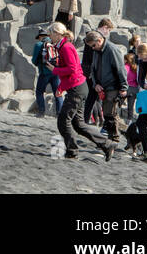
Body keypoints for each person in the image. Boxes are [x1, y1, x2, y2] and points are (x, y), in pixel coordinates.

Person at [49, 22, 117, 161]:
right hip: (79, 87)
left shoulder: (66, 47)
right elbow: (74, 71)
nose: (49, 36)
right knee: (78, 124)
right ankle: (107, 144)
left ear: (57, 34)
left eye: (50, 33)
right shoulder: (64, 46)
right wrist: (61, 87)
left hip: (77, 89)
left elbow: (73, 69)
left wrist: (55, 70)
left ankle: (72, 151)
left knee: (63, 120)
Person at [84, 30, 127, 142]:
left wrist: (123, 87)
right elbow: (93, 69)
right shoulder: (96, 51)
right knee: (109, 113)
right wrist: (95, 84)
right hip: (102, 87)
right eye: (90, 46)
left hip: (113, 86)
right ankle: (120, 134)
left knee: (110, 113)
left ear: (99, 40)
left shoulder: (112, 50)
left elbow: (120, 69)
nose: (92, 48)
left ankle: (114, 139)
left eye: (93, 45)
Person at [82, 18, 117, 126]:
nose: (108, 33)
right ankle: (87, 120)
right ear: (105, 27)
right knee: (92, 98)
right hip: (92, 73)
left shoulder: (92, 36)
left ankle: (91, 119)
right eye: (108, 30)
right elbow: (94, 58)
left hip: (89, 71)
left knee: (94, 99)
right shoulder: (96, 39)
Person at [31, 31, 61, 117]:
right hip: (55, 71)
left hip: (44, 72)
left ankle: (41, 112)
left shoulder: (39, 45)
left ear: (40, 37)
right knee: (58, 92)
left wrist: (39, 64)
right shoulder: (54, 44)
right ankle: (59, 114)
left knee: (39, 91)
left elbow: (34, 60)